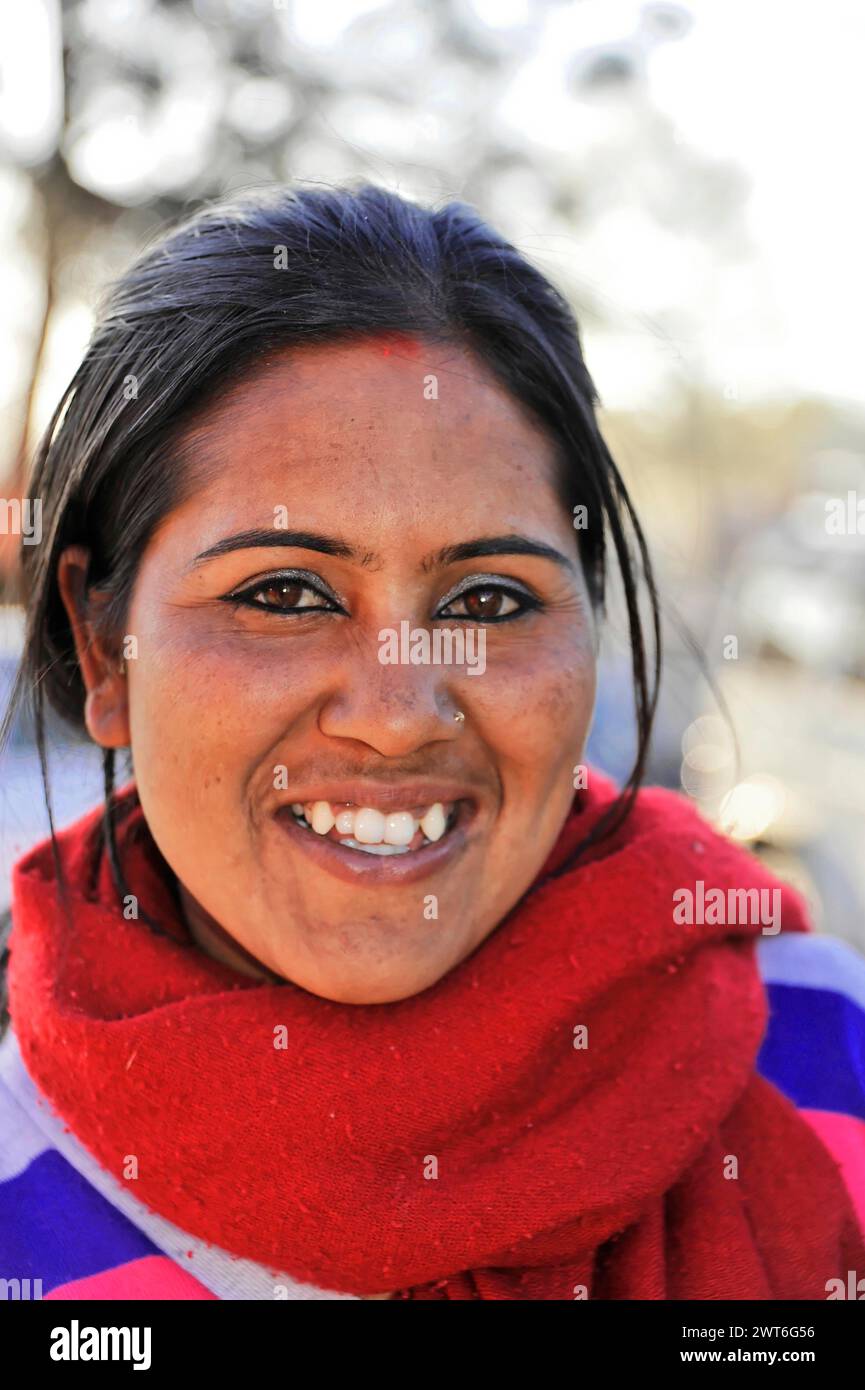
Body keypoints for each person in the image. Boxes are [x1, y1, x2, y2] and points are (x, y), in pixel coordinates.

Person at [0, 183, 862, 1301]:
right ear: (105, 647)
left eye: (491, 602)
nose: (402, 711)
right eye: (285, 591)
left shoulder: (821, 1052)